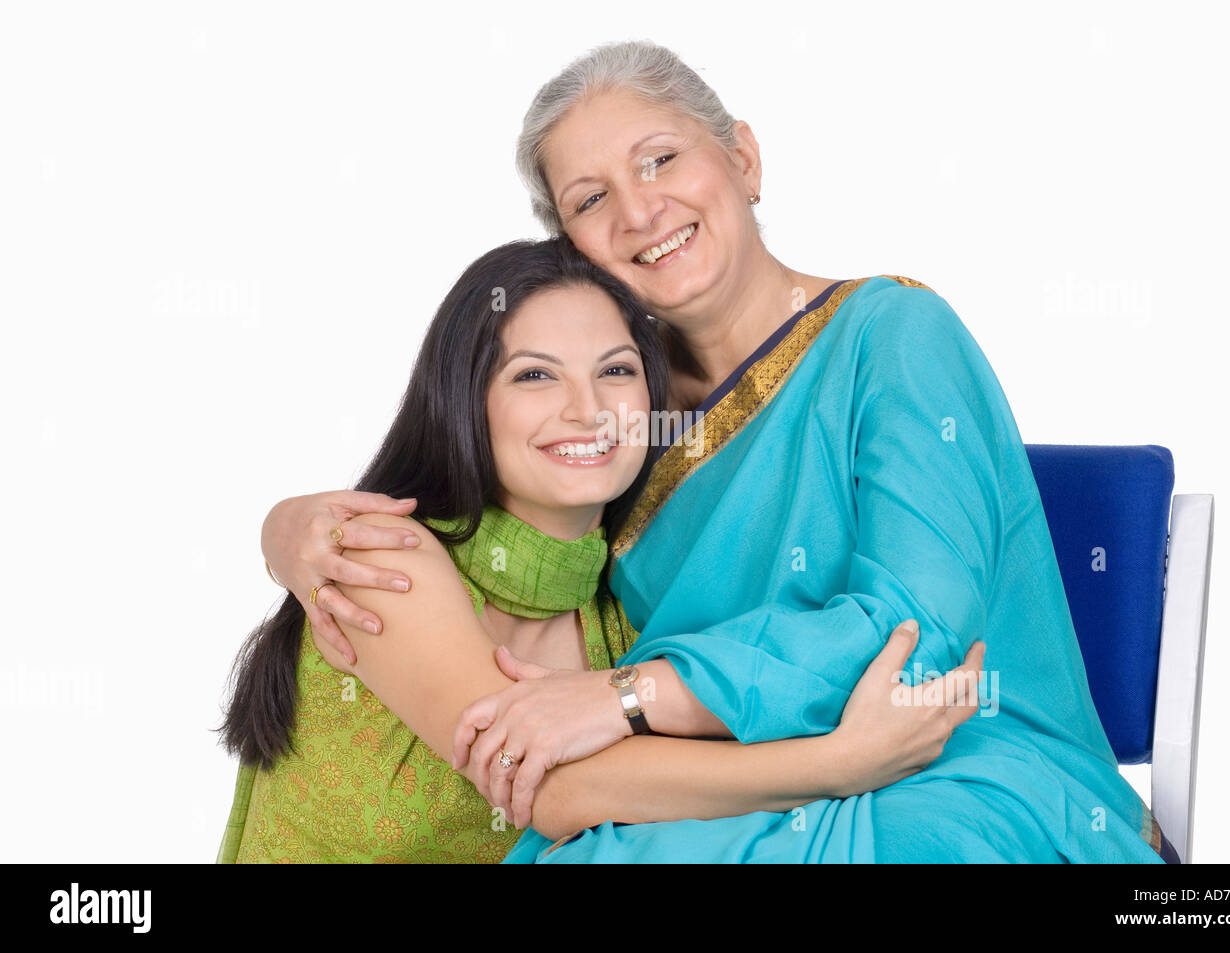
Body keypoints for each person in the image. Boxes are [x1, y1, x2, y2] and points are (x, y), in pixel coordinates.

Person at [259, 41, 1176, 863]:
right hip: (723, 785)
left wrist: (628, 694)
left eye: (661, 158)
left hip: (952, 759)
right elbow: (473, 502)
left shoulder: (894, 335)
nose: (640, 208)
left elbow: (915, 638)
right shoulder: (613, 425)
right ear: (567, 246)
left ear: (742, 157)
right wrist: (290, 528)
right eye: (591, 198)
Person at [218, 235, 971, 863]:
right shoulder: (386, 560)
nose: (587, 410)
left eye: (615, 370)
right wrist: (841, 764)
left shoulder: (631, 606)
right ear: (464, 400)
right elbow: (554, 790)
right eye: (535, 375)